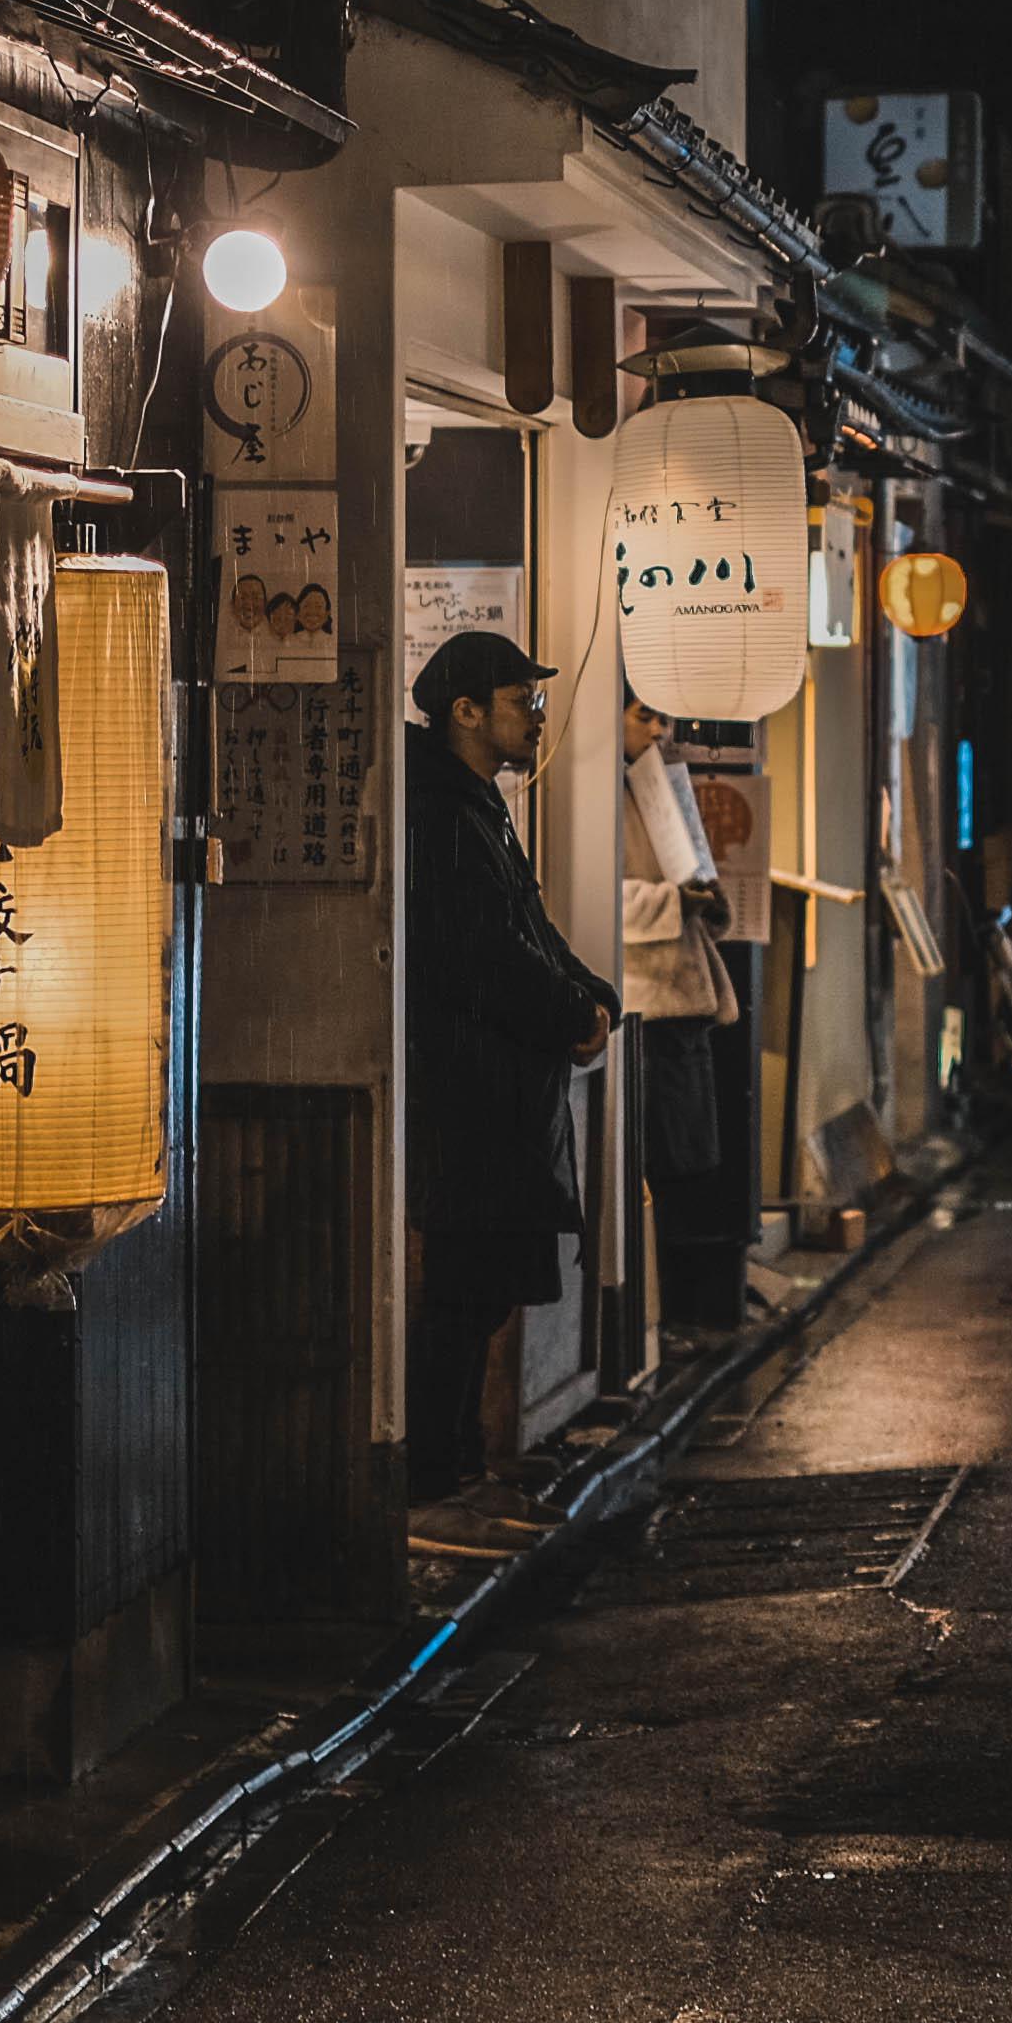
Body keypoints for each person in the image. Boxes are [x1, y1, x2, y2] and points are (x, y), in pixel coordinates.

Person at [403, 629, 619, 1557]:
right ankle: (429, 1489)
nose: (537, 716)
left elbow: (528, 928)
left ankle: (461, 1472)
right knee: (461, 1292)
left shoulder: (475, 804)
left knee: (481, 1290)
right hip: (467, 1099)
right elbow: (483, 955)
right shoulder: (438, 811)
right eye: (521, 700)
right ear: (465, 711)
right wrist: (572, 1009)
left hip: (497, 1095)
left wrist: (591, 995)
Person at [616, 688, 742, 1318]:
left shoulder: (652, 783)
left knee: (683, 1165)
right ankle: (653, 1318)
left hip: (679, 1001)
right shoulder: (591, 794)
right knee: (659, 1164)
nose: (660, 730)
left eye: (663, 717)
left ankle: (666, 1315)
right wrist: (675, 902)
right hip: (647, 1004)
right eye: (645, 715)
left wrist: (706, 901)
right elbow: (594, 896)